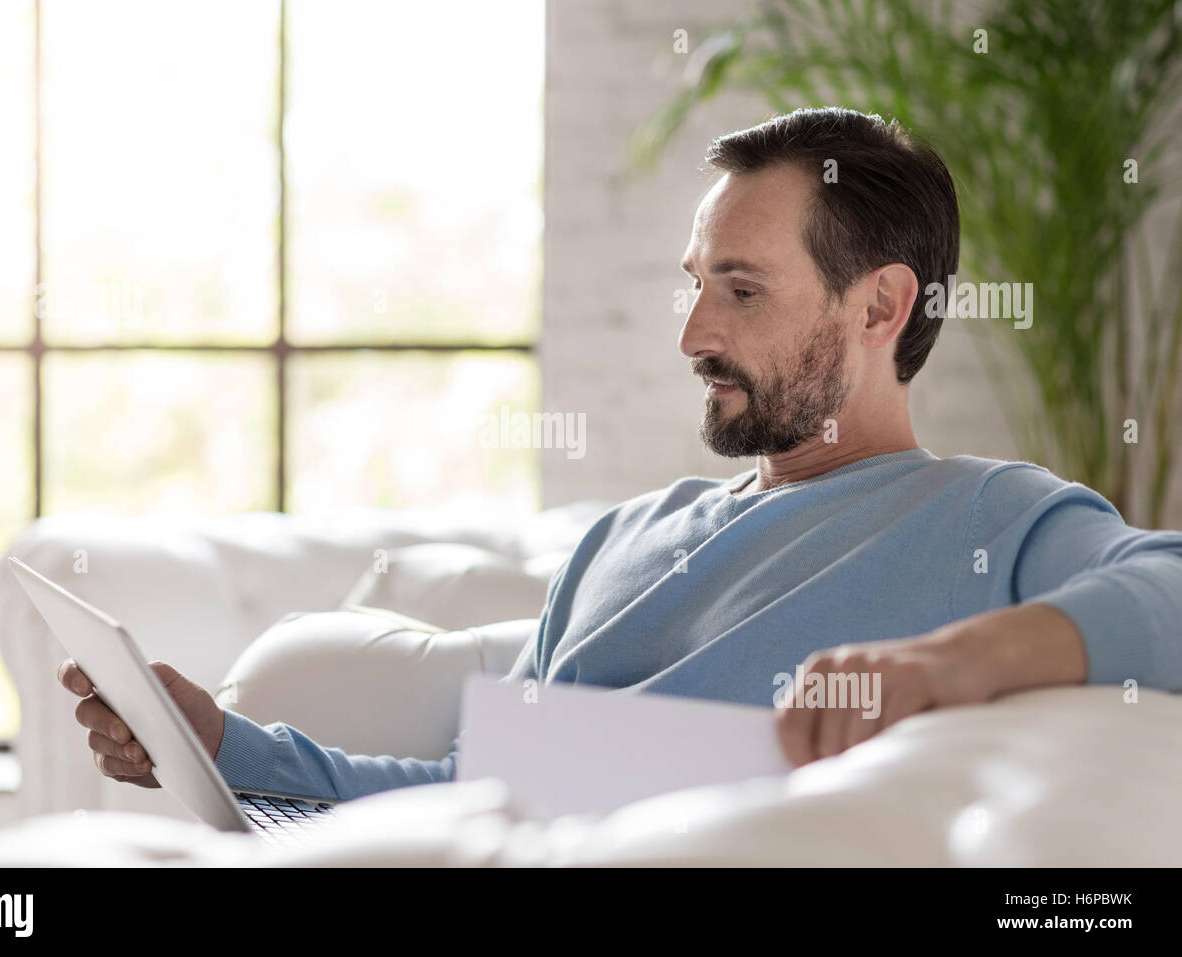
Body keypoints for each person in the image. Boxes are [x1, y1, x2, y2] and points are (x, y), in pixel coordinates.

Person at [60, 107, 1182, 802]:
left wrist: (950, 664)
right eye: (696, 289)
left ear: (882, 304)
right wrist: (224, 748)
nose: (694, 336)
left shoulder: (987, 521)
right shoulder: (619, 541)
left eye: (742, 292)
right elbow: (482, 798)